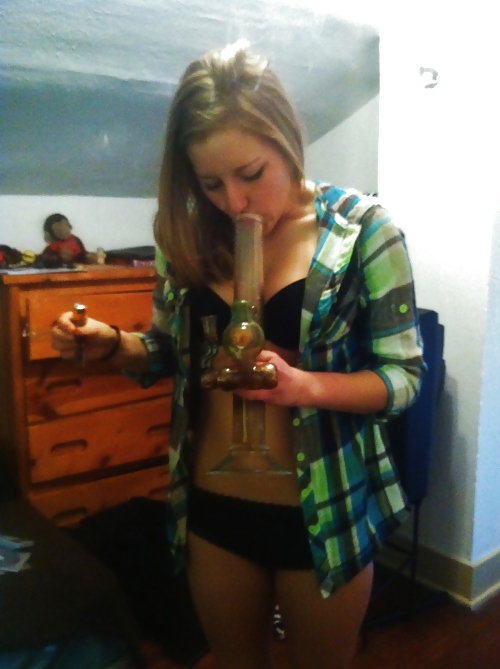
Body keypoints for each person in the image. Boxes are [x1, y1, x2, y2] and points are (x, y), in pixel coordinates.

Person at [51, 41, 425, 669]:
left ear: (287, 141)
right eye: (210, 183)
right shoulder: (186, 232)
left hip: (323, 509)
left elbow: (404, 377)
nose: (233, 202)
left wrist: (305, 387)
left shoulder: (363, 230)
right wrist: (111, 344)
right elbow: (167, 353)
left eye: (250, 174)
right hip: (212, 506)